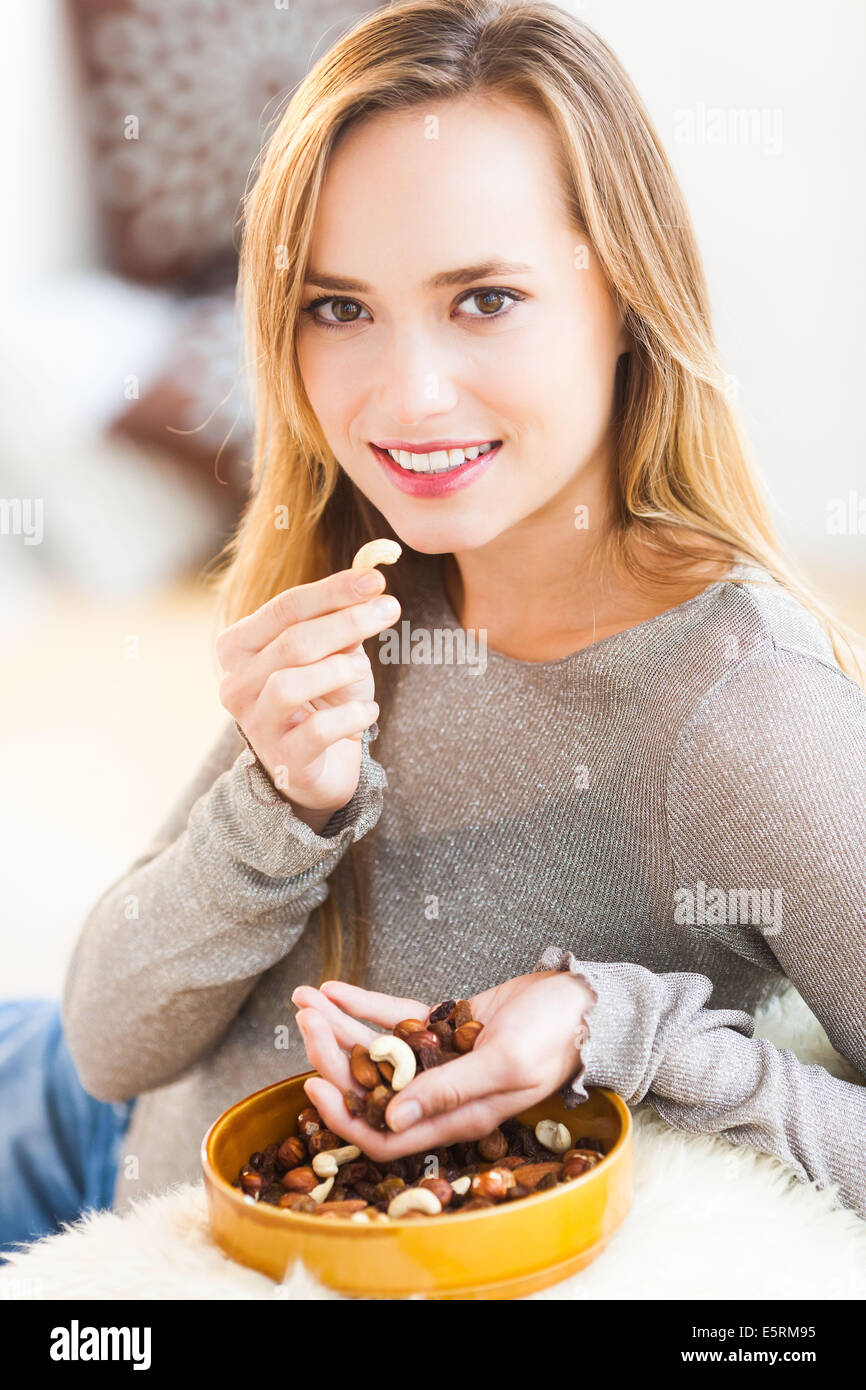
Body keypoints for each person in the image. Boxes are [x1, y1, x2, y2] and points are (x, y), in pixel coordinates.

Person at [4, 0, 865, 1256]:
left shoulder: (745, 715)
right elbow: (107, 1036)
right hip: (80, 1129)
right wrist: (282, 807)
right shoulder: (390, 582)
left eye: (483, 299)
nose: (401, 397)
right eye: (337, 308)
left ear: (624, 294)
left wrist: (614, 1025)